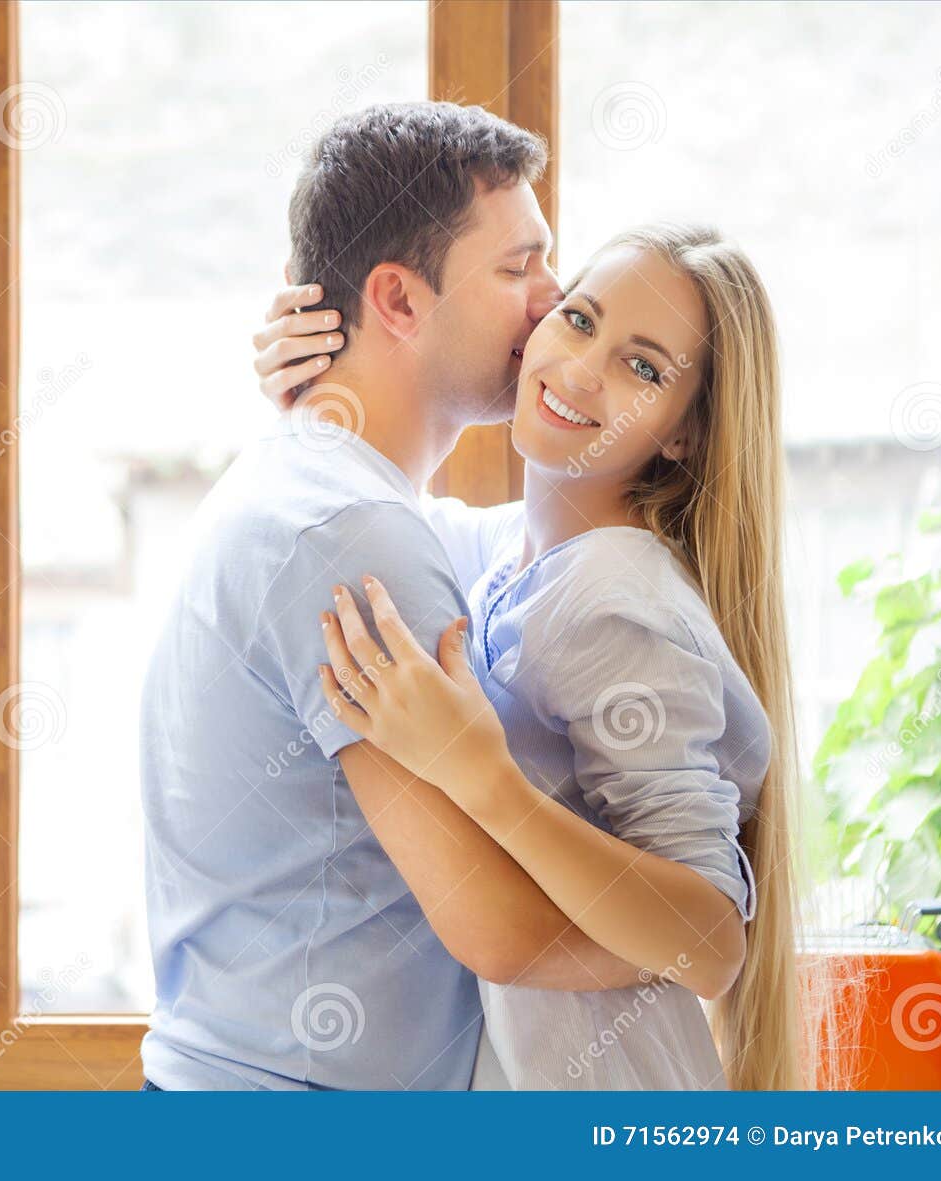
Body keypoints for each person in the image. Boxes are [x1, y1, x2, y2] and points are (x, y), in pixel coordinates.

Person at [138, 101, 650, 1092]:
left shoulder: (322, 491)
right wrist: (716, 934)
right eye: (517, 269)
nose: (552, 302)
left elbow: (535, 544)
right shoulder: (346, 534)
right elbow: (502, 928)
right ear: (398, 300)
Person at [303, 224, 814, 1089]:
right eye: (579, 320)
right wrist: (314, 377)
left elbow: (710, 943)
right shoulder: (508, 550)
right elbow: (374, 496)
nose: (582, 372)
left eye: (643, 367)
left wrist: (482, 777)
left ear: (683, 435)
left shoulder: (617, 600)